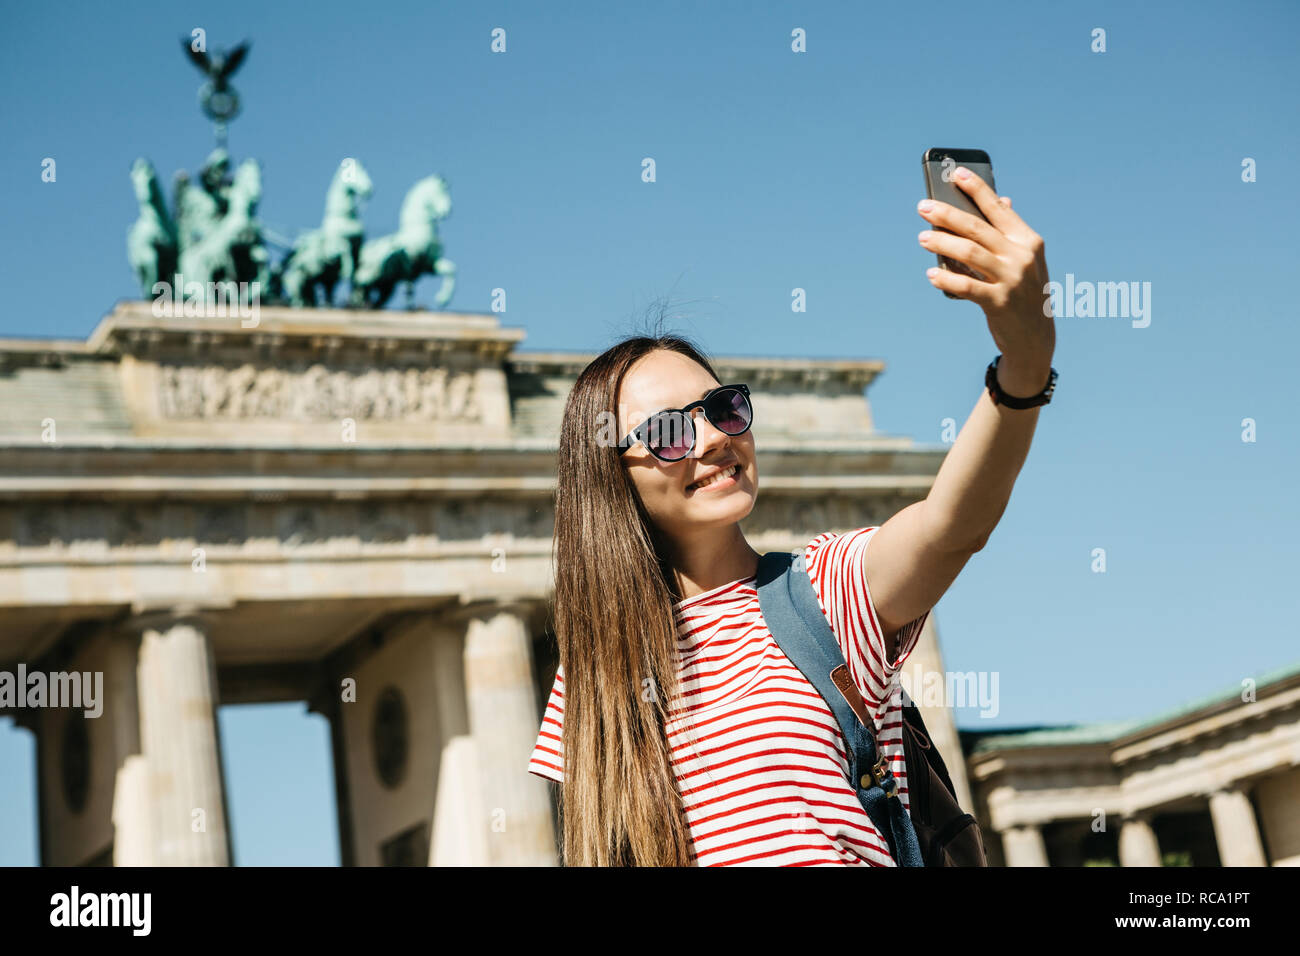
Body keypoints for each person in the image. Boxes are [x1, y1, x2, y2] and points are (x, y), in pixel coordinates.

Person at [528, 167, 1057, 866]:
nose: (715, 438)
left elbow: (952, 524)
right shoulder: (594, 675)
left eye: (724, 409)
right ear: (609, 478)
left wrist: (1023, 364)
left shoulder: (826, 591)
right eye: (669, 433)